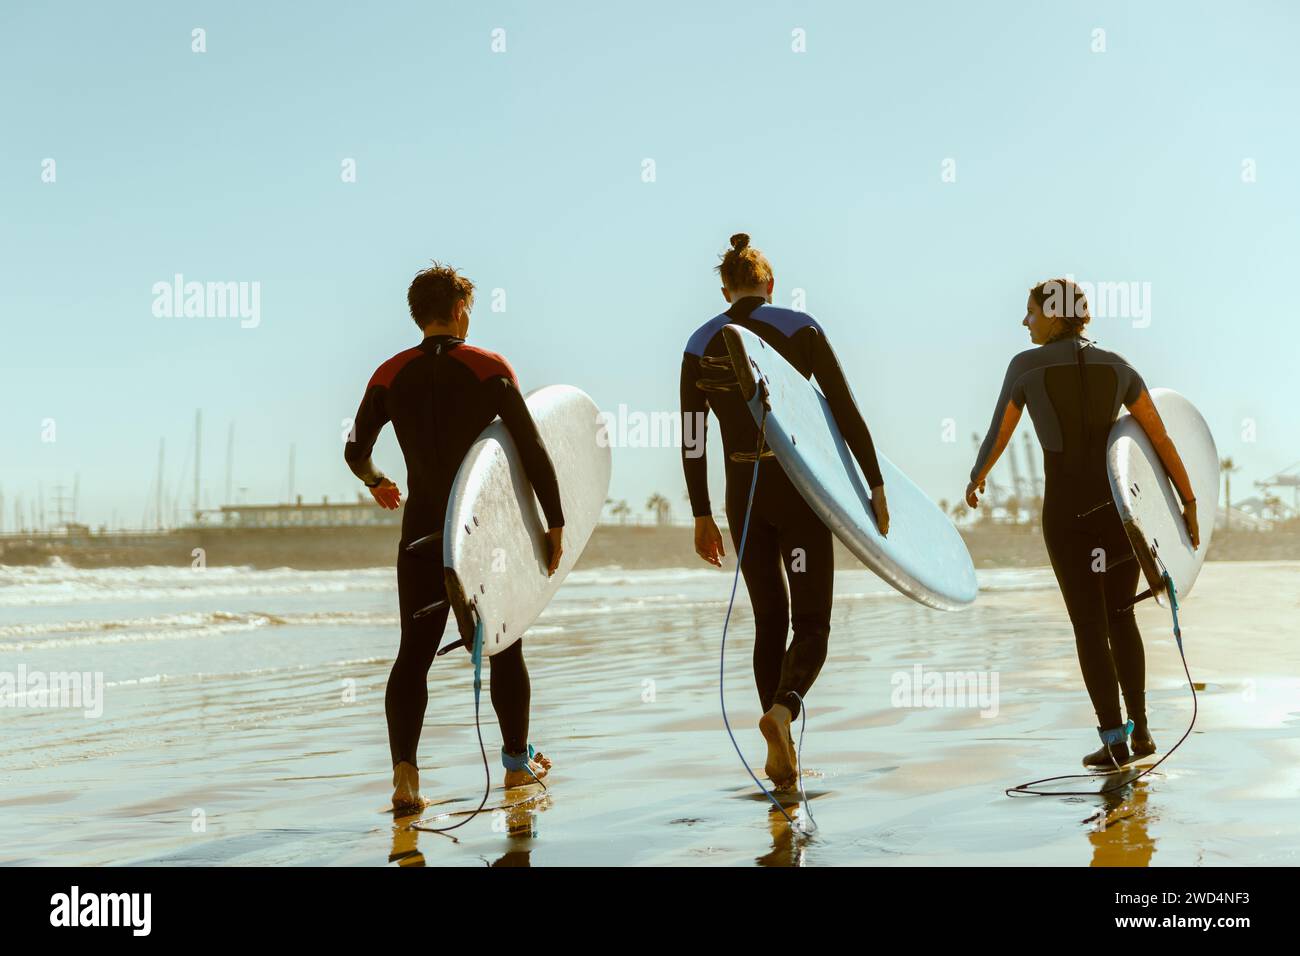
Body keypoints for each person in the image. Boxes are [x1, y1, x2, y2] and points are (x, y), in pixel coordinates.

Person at [345, 262, 565, 810]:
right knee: (504, 645)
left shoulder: (388, 373)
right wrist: (555, 521)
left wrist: (377, 481)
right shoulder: (487, 367)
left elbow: (354, 449)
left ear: (419, 315)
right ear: (461, 309)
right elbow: (533, 449)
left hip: (422, 529)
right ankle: (516, 767)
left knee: (412, 654)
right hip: (482, 532)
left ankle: (406, 777)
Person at [680, 233, 890, 789]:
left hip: (741, 493)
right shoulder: (800, 327)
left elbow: (693, 437)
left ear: (725, 289)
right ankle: (783, 710)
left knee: (769, 619)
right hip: (797, 489)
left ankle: (784, 753)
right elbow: (844, 407)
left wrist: (701, 513)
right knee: (812, 622)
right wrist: (874, 481)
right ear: (770, 284)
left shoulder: (701, 341)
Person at [966, 278, 1199, 768]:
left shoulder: (1025, 367)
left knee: (1089, 625)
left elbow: (999, 433)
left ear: (1053, 314)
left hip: (1067, 516)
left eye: (1029, 311)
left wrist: (977, 476)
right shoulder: (1119, 366)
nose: (1024, 321)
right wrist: (1189, 499)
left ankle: (1114, 740)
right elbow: (1158, 438)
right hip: (1118, 512)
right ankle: (1143, 731)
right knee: (1121, 616)